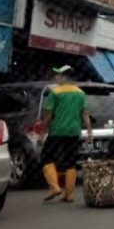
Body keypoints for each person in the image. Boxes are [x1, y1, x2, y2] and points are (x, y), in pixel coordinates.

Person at [40, 65, 92, 203]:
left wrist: (42, 133)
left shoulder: (55, 92)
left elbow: (48, 115)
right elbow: (85, 114)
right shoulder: (80, 93)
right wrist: (89, 132)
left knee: (46, 157)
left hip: (57, 131)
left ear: (64, 77)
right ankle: (69, 195)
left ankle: (54, 187)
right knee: (71, 161)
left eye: (58, 75)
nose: (56, 78)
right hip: (74, 132)